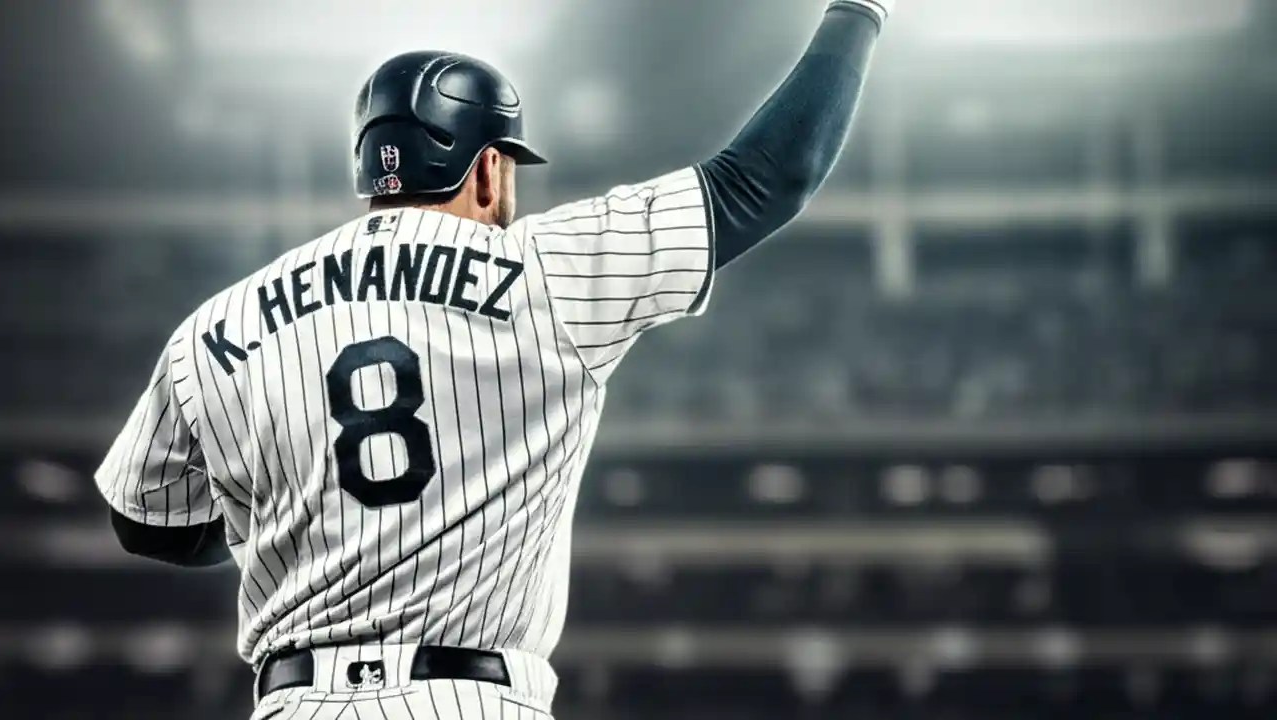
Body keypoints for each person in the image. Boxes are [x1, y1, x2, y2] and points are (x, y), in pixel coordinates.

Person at [93, 2, 893, 718]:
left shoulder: (219, 325)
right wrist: (859, 13)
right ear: (486, 166)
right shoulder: (546, 269)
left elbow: (144, 523)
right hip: (471, 701)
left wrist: (286, 525)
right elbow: (767, 177)